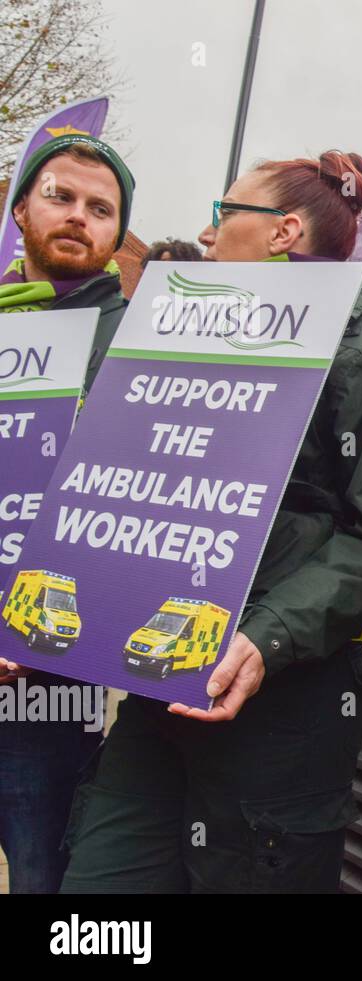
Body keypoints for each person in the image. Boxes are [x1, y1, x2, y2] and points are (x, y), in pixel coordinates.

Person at [58, 150, 362, 893]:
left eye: (224, 214)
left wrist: (266, 637)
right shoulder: (178, 355)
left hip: (285, 710)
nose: (205, 230)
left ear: (283, 232)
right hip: (158, 690)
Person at [0, 134, 134, 894]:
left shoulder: (143, 349)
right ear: (21, 209)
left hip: (49, 684)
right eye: (60, 196)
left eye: (101, 207)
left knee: (47, 880)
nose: (79, 216)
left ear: (117, 233)